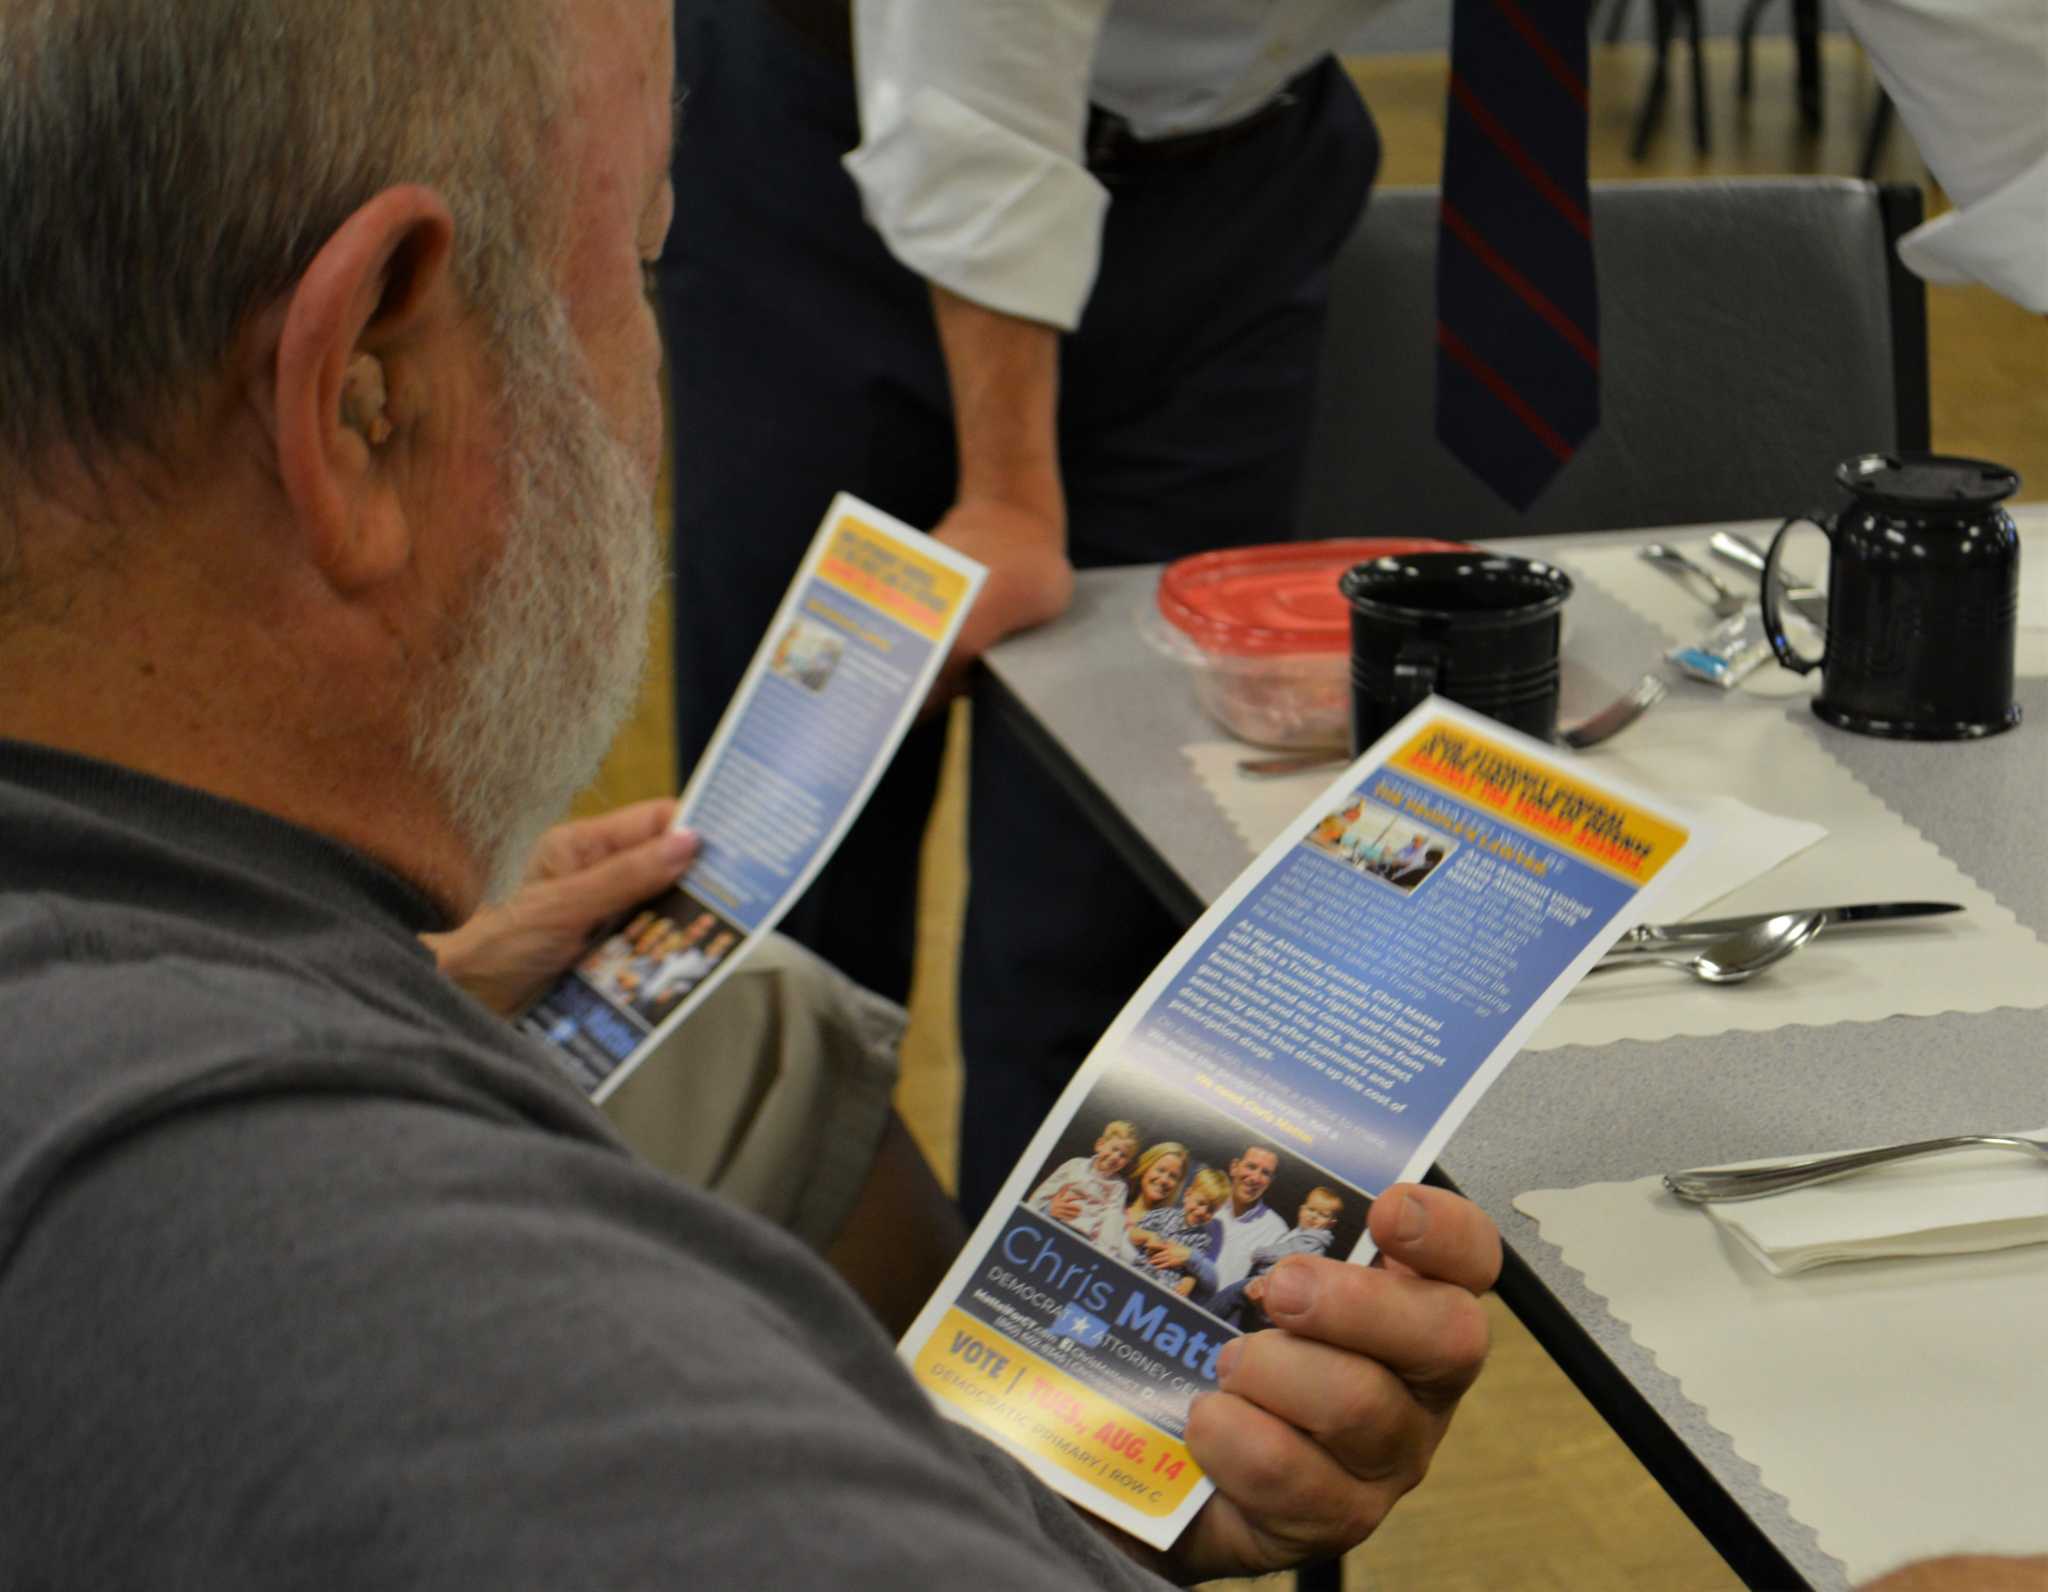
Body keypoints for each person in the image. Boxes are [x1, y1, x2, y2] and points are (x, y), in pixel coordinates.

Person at [0, 9, 1504, 1580]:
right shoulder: (383, 1305)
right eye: (645, 251)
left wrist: (424, 981)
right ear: (367, 396)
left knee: (768, 1011)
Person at [1210, 1188, 1347, 1331]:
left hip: (1273, 1284)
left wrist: (1258, 1253)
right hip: (1270, 1282)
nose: (1313, 1216)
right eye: (1311, 1209)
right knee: (1238, 1314)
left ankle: (1206, 1314)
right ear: (1301, 1210)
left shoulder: (1313, 1240)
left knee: (1233, 1293)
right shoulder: (1300, 1232)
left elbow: (1282, 1252)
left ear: (1331, 1223)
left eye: (1322, 1215)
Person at [1027, 1119, 1140, 1249]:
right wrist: (1039, 1211)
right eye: (1114, 1149)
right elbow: (1044, 1193)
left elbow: (1112, 1222)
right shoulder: (1074, 1165)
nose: (1116, 1157)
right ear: (1100, 1145)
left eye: (1123, 1156)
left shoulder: (1118, 1187)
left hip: (1084, 1240)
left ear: (1126, 1163)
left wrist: (1104, 1252)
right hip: (1054, 1222)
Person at [1130, 1166, 1231, 1300]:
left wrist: (1190, 1280)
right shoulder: (1162, 1215)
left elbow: (1194, 1267)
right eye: (1200, 1203)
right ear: (1187, 1195)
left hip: (1166, 1291)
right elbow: (1133, 1234)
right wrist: (1149, 1237)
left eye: (1210, 1210)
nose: (1202, 1212)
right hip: (1139, 1275)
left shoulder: (1203, 1239)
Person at [1118, 1139, 1190, 1256]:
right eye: (1161, 1170)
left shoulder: (1170, 1229)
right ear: (1146, 1167)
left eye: (1173, 1176)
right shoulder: (1115, 1198)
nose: (1164, 1180)